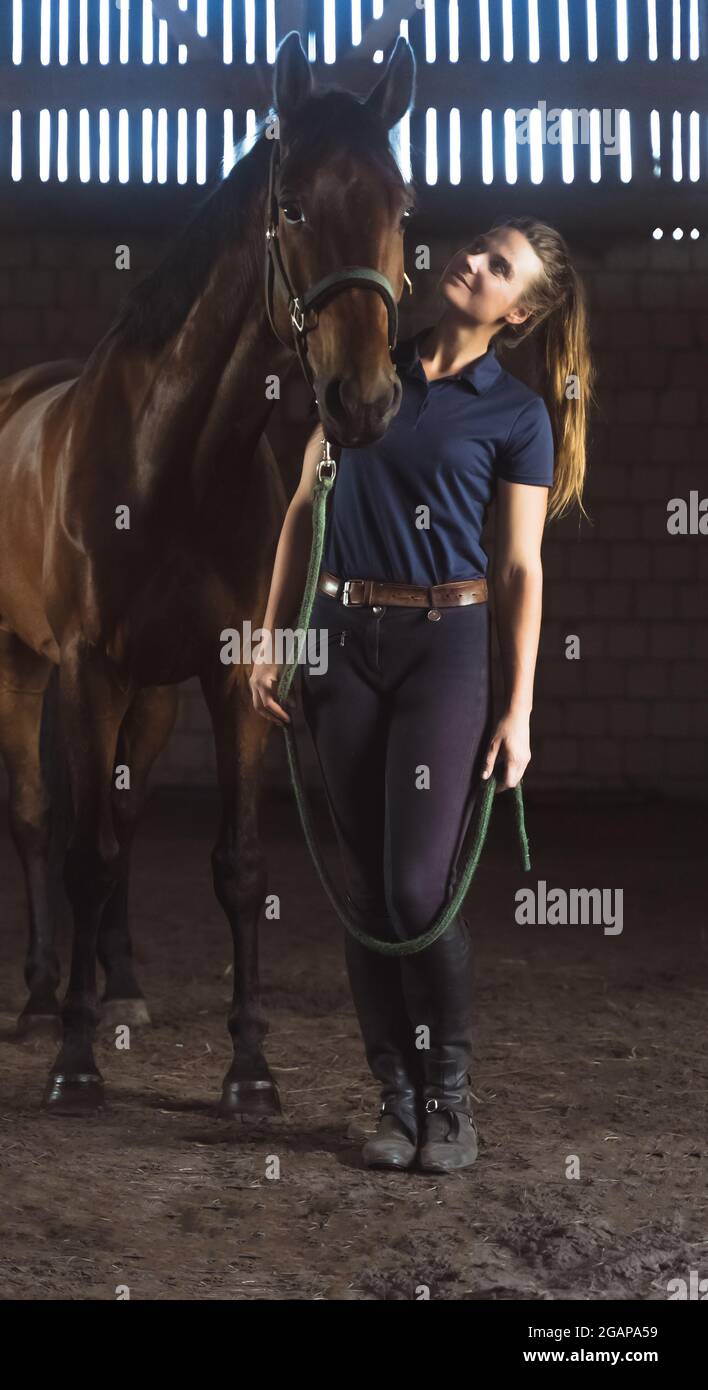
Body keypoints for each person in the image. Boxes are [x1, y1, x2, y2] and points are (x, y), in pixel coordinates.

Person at [250, 217, 594, 1174]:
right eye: (478, 247)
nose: (472, 263)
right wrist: (271, 640)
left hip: (445, 648)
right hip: (342, 644)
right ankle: (393, 1100)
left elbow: (521, 570)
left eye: (498, 268)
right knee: (365, 892)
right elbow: (304, 508)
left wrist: (519, 708)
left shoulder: (515, 414)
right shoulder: (368, 371)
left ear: (516, 312)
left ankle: (449, 1095)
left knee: (415, 892)